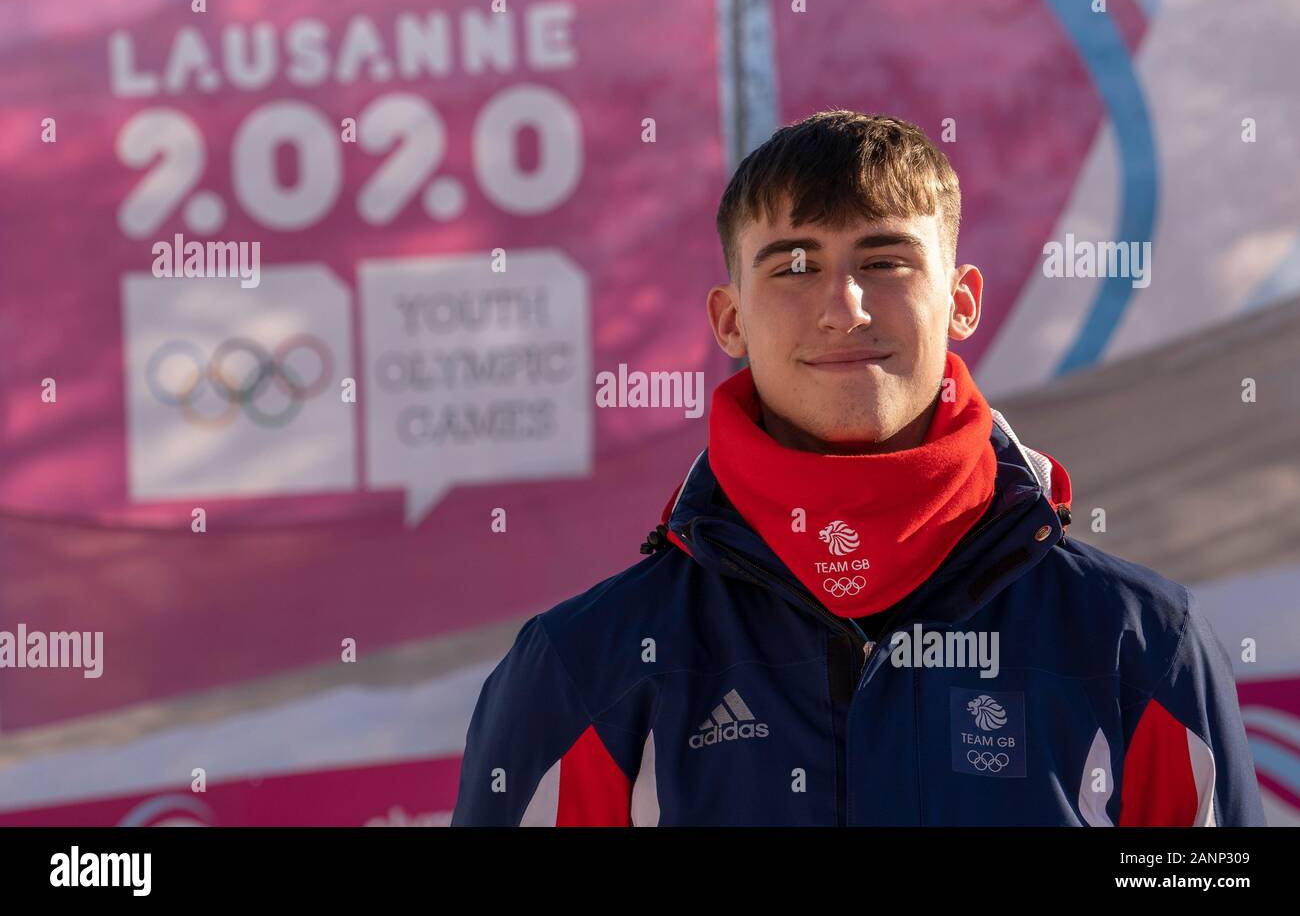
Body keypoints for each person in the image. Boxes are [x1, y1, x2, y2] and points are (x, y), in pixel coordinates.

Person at [450, 110, 1266, 826]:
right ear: (730, 319)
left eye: (885, 261)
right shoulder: (587, 667)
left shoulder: (1140, 647)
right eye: (794, 266)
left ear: (961, 300)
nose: (845, 309)